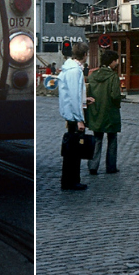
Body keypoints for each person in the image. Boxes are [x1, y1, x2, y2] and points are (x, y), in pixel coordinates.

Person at [57, 42, 92, 191]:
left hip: (70, 113)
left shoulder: (69, 68)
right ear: (85, 55)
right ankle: (71, 181)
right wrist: (79, 119)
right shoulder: (75, 71)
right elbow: (74, 96)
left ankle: (70, 180)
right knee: (74, 151)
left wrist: (85, 100)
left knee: (72, 150)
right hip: (73, 116)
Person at [85, 50, 122, 175]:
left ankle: (93, 166)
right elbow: (115, 95)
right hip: (110, 112)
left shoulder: (92, 76)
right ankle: (111, 166)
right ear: (111, 62)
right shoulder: (113, 76)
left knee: (97, 138)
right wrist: (117, 105)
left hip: (96, 111)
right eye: (115, 61)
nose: (116, 63)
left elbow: (87, 91)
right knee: (112, 139)